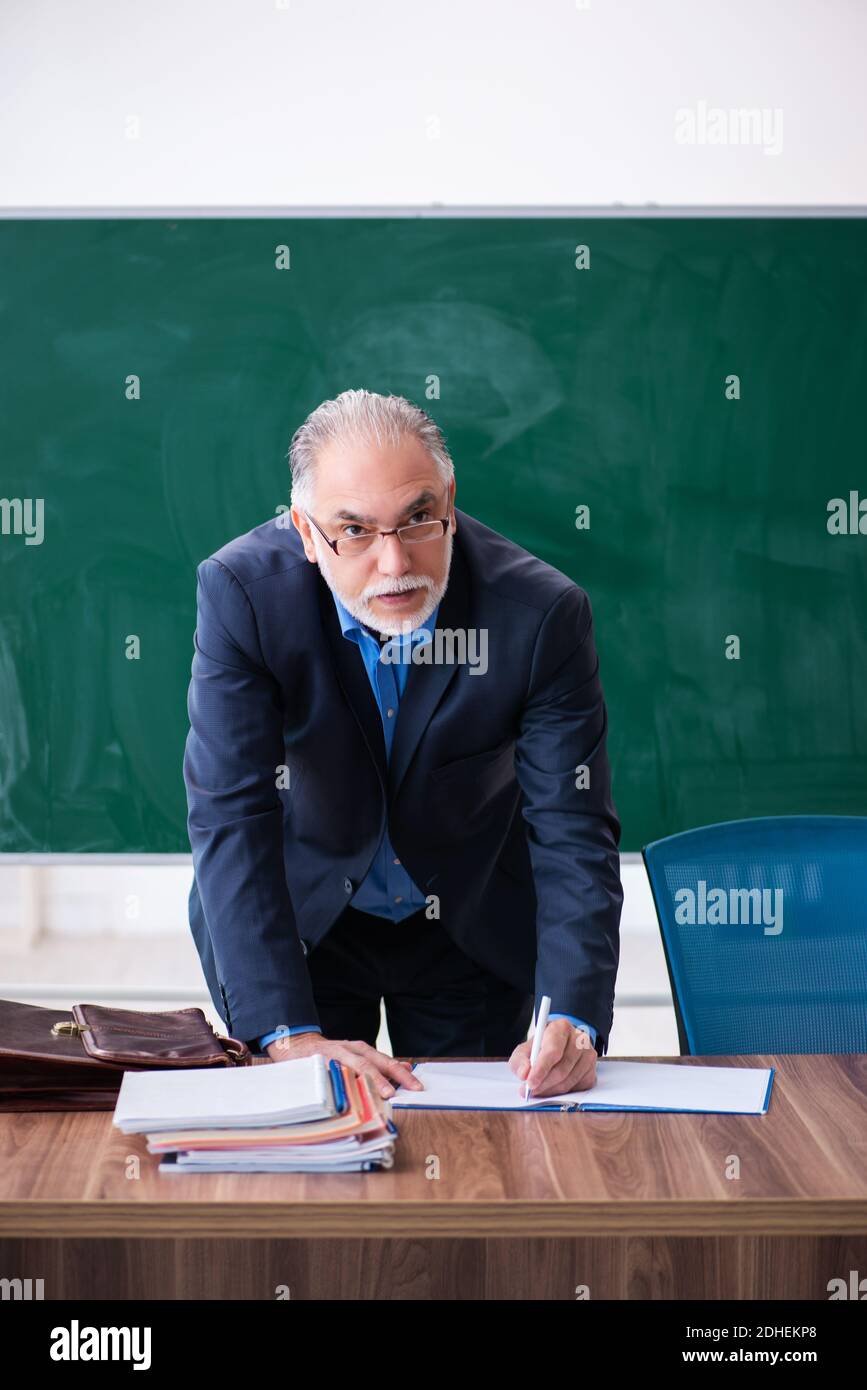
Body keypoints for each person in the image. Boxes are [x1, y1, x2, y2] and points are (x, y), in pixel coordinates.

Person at [184, 389, 622, 1101]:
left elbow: (572, 827)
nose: (394, 564)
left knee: (477, 1161)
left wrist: (573, 1014)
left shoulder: (540, 616)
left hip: (467, 922)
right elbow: (232, 817)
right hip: (298, 921)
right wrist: (284, 1034)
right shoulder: (244, 596)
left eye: (419, 518)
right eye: (353, 530)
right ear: (303, 530)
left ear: (450, 498)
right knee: (307, 1153)